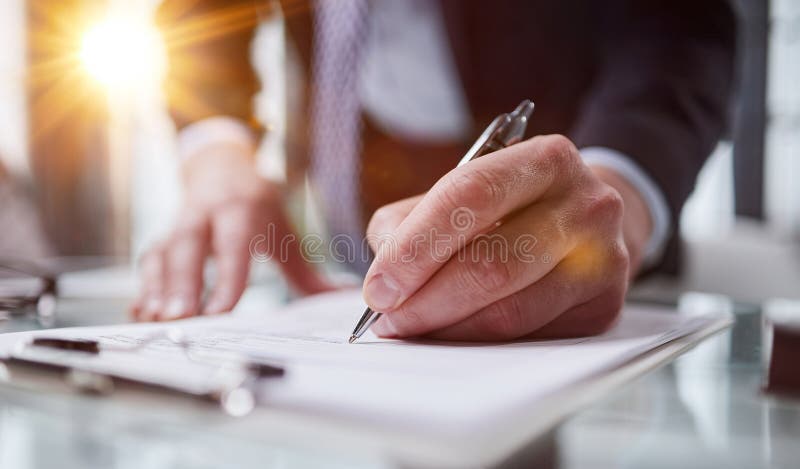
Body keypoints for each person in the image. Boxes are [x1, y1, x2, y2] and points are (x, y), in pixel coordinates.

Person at [132, 0, 737, 341]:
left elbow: (678, 28)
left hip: (557, 215)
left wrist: (615, 189)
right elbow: (200, 20)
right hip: (363, 212)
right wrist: (216, 152)